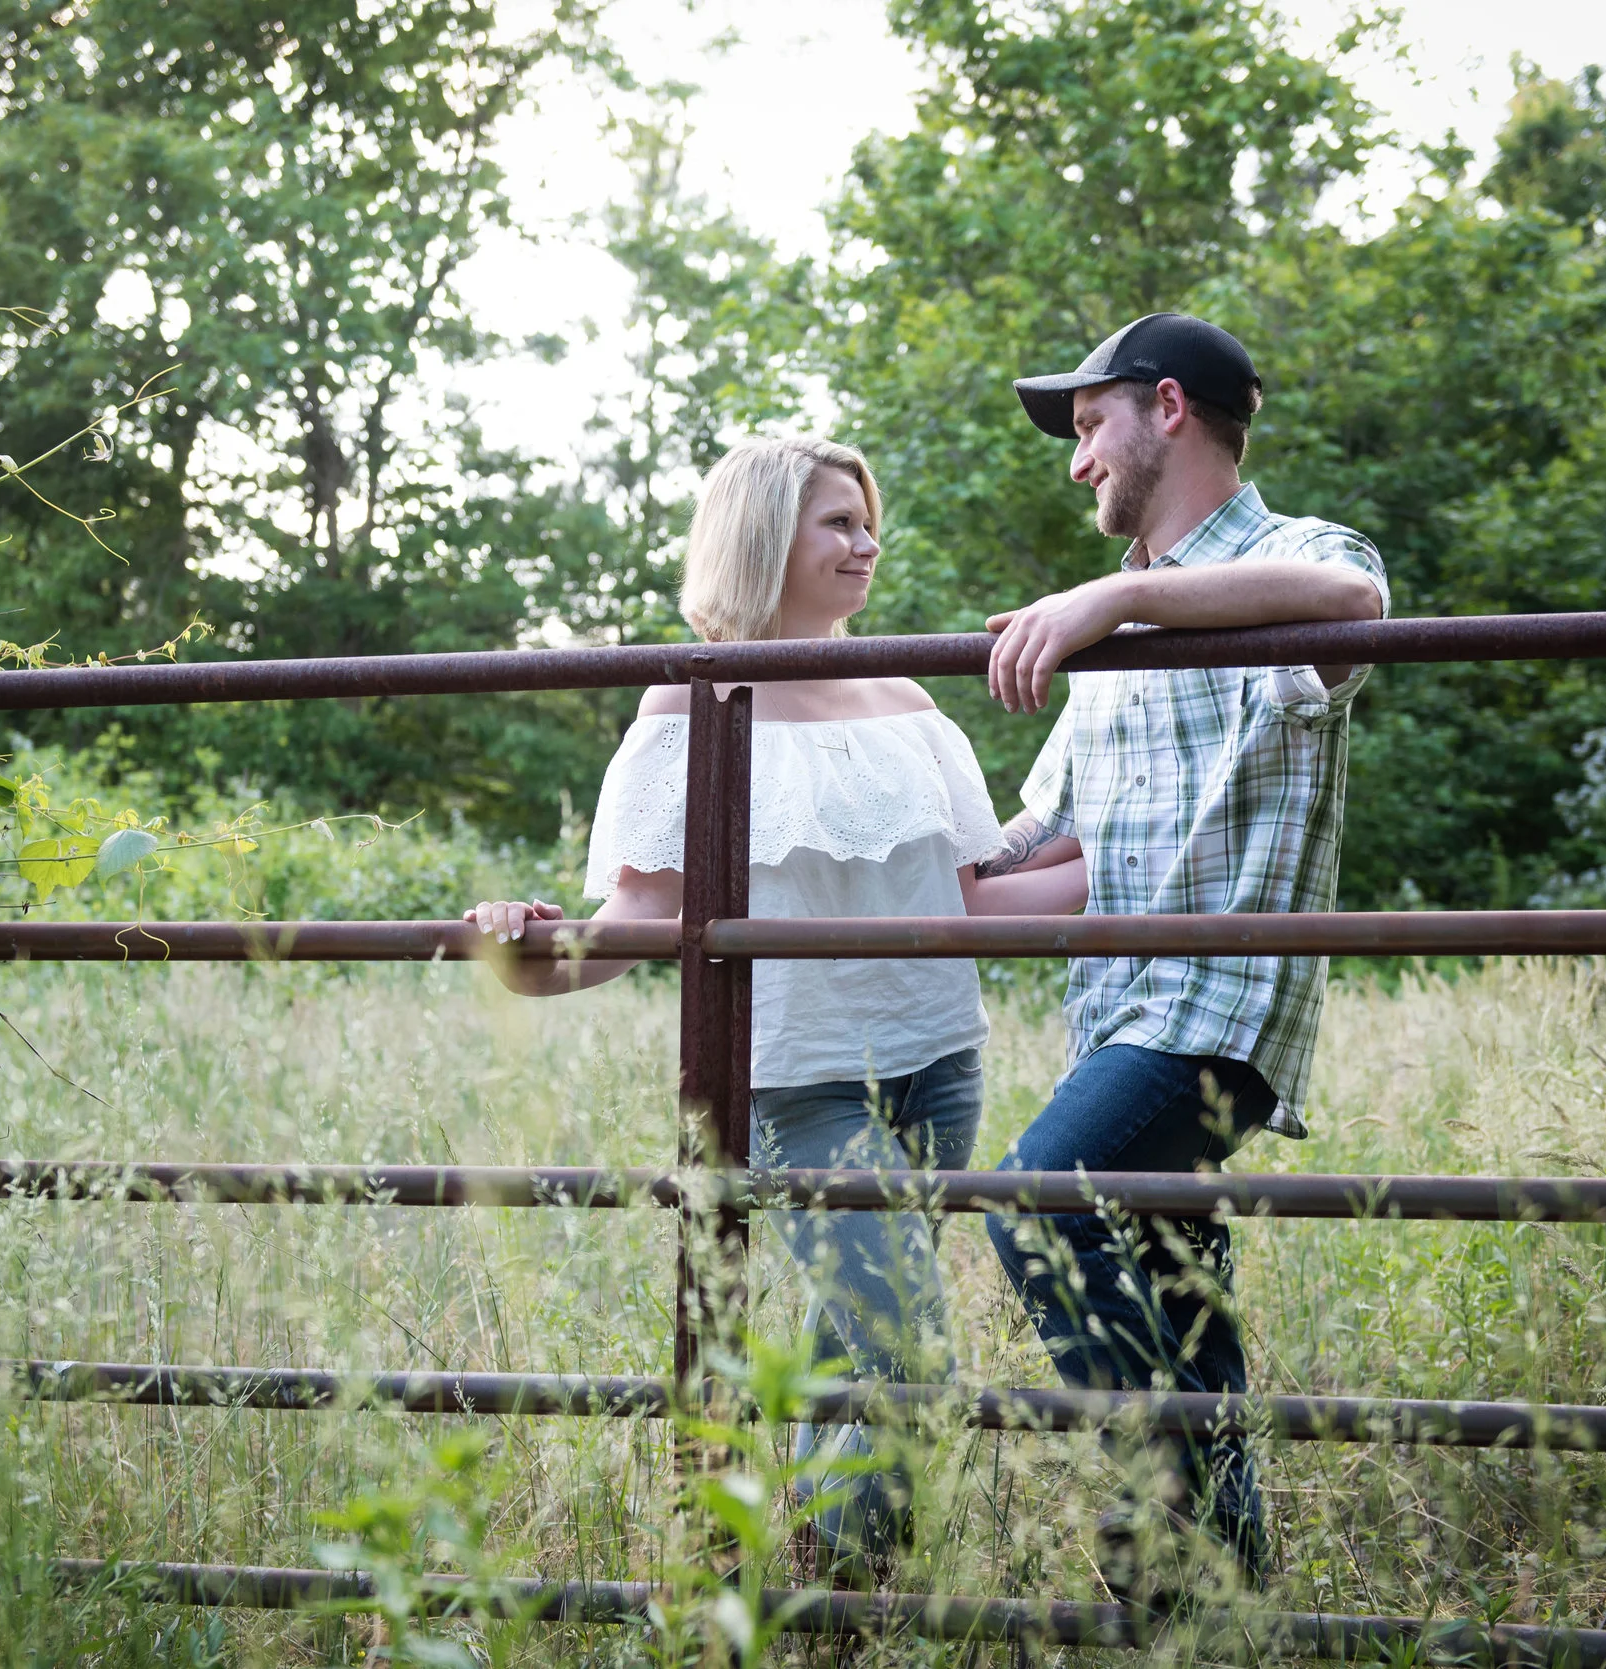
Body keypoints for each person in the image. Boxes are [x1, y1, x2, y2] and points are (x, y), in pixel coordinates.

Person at [465, 435, 1086, 1578]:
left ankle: (830, 1583)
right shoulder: (698, 692)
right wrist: (527, 956)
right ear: (763, 539)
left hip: (939, 1058)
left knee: (851, 1340)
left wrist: (1133, 857)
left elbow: (968, 899)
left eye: (866, 520)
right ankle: (840, 1584)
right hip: (798, 1077)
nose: (866, 543)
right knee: (906, 1348)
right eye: (837, 523)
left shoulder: (902, 685)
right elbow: (648, 913)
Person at [976, 314, 1390, 1601]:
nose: (1075, 458)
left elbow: (1355, 604)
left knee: (1040, 1185)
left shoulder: (1287, 554)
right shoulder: (1097, 644)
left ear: (1168, 407)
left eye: (1088, 422)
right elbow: (1033, 847)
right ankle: (1229, 1595)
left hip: (1215, 1009)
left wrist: (1123, 594)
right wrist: (860, 871)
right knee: (1183, 1308)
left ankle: (1160, 1528)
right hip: (1120, 1009)